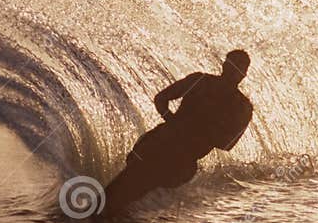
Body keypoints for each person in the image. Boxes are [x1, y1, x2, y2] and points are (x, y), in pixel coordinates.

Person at [103, 50, 253, 214]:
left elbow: (228, 145)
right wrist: (174, 121)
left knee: (133, 189)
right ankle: (103, 216)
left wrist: (200, 129)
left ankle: (107, 218)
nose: (233, 72)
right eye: (232, 66)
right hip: (161, 143)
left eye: (238, 69)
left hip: (181, 161)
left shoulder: (242, 106)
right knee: (124, 186)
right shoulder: (200, 81)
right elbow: (161, 98)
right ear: (224, 66)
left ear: (244, 74)